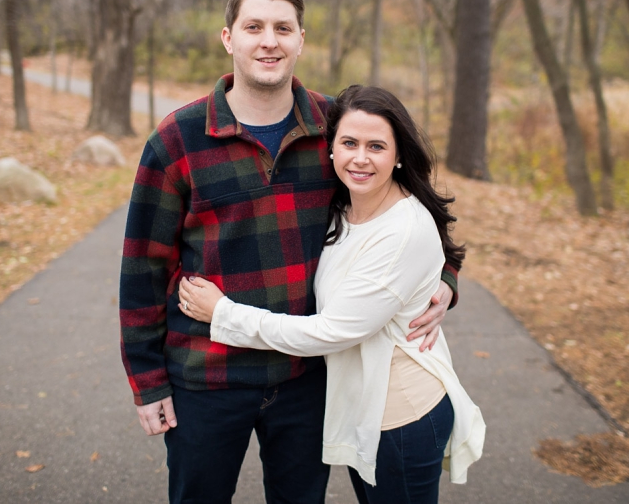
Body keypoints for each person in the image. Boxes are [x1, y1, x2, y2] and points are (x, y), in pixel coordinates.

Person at [119, 0, 460, 504]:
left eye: (283, 28)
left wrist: (440, 281)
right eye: (253, 26)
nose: (269, 41)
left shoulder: (336, 128)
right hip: (207, 376)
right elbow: (142, 268)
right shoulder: (177, 139)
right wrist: (147, 380)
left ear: (301, 39)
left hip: (307, 379)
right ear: (229, 38)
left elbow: (414, 209)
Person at [178, 85, 485, 503]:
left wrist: (223, 314)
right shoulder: (345, 204)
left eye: (376, 146)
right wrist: (444, 279)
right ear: (331, 150)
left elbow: (331, 332)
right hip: (365, 410)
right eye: (349, 143)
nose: (360, 157)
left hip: (400, 416)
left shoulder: (402, 229)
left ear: (398, 155)